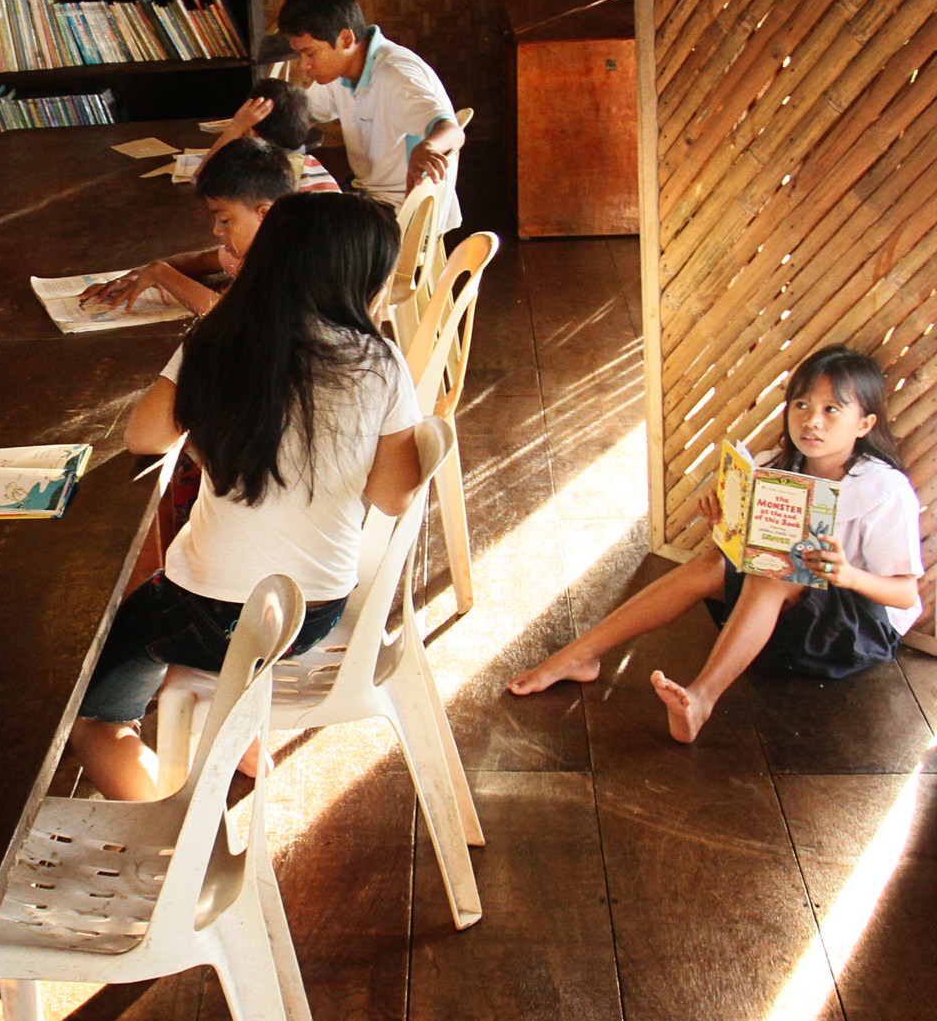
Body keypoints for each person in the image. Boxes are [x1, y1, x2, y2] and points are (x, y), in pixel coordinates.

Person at [68, 191, 427, 801]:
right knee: (185, 630)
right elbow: (392, 498)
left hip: (204, 613)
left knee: (93, 711)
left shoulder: (219, 339)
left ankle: (167, 817)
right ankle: (235, 728)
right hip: (313, 615)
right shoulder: (381, 362)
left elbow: (145, 437)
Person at [510, 346, 923, 743]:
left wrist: (847, 574)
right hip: (790, 615)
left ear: (865, 425)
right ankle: (580, 656)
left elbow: (905, 596)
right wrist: (726, 525)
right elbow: (748, 554)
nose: (811, 421)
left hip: (859, 630)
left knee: (771, 575)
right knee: (714, 562)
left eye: (831, 410)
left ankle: (702, 699)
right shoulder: (773, 467)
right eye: (801, 405)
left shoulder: (883, 490)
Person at [278, 0, 465, 228]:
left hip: (401, 213)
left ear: (345, 39)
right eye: (299, 55)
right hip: (368, 197)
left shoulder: (395, 75)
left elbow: (452, 131)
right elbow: (305, 111)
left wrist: (428, 146)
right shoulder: (341, 71)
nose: (304, 65)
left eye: (310, 53)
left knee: (291, 224)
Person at [80, 136, 297, 318]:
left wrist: (160, 273)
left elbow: (224, 315)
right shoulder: (251, 248)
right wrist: (138, 274)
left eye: (224, 220)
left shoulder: (289, 259)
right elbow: (198, 261)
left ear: (264, 214)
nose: (217, 231)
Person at [198, 76, 341, 193]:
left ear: (253, 133)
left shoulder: (259, 175)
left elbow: (201, 179)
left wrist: (236, 126)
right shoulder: (313, 167)